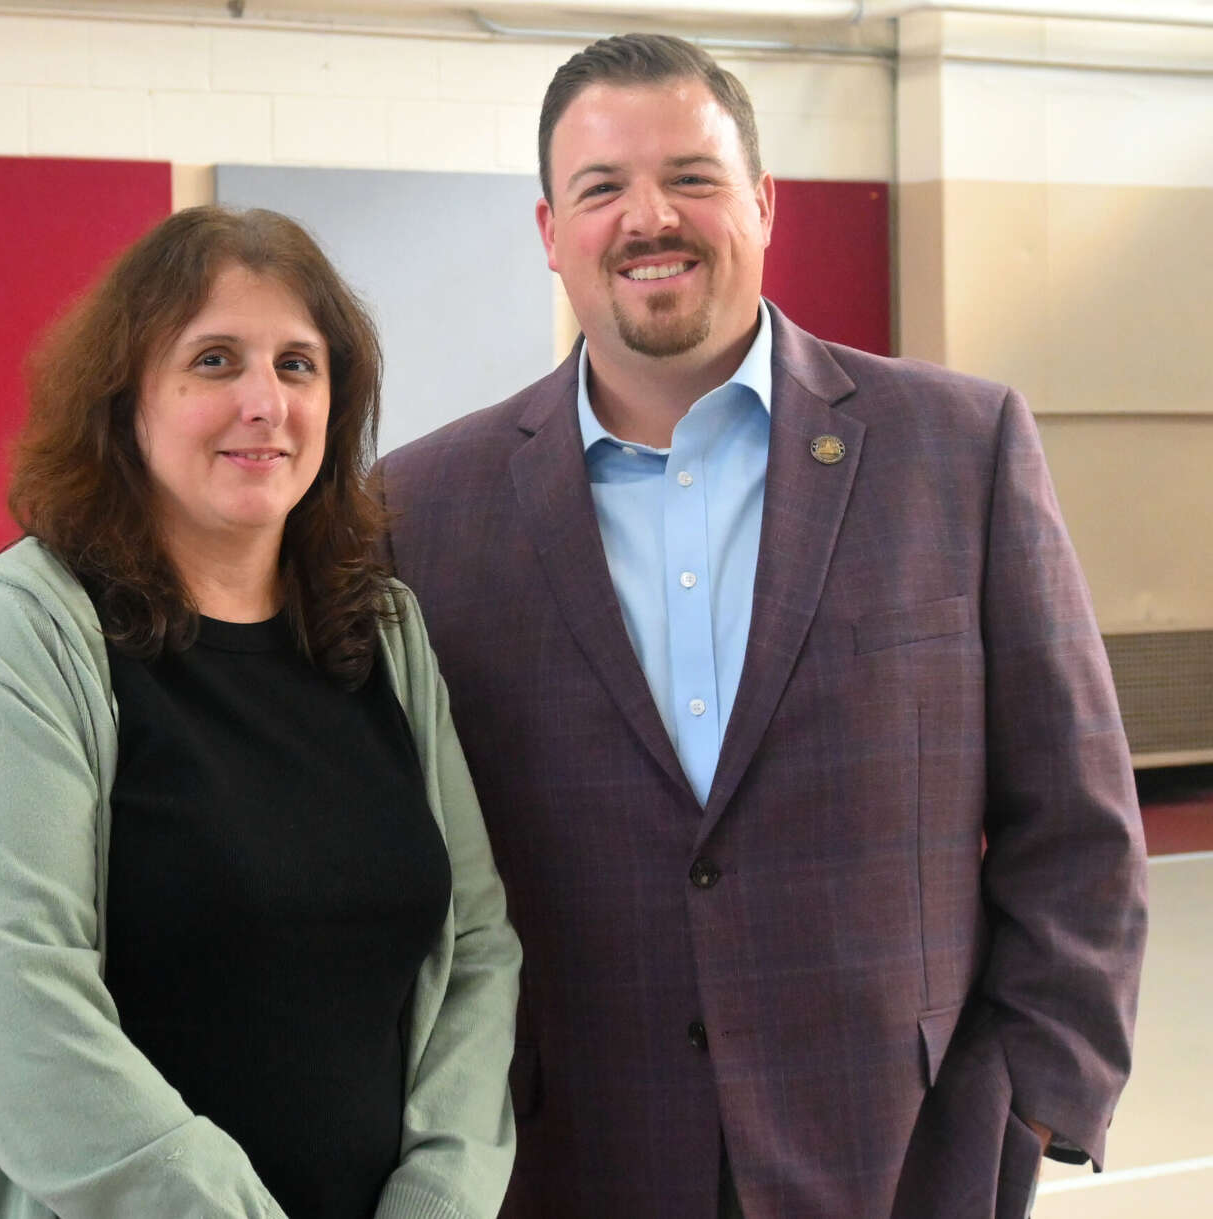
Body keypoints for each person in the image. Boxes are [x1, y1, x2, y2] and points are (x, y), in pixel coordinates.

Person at [374, 33, 1147, 1219]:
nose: (650, 218)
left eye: (691, 176)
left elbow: (1077, 817)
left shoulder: (958, 447)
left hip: (904, 1150)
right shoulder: (425, 508)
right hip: (570, 1156)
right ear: (547, 234)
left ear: (762, 202)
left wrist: (1039, 1093)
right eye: (602, 189)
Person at [0, 206, 520, 1219]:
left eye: (298, 365)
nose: (265, 401)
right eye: (215, 360)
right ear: (125, 398)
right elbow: (9, 995)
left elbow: (477, 943)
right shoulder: (26, 629)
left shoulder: (381, 630)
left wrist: (441, 1192)